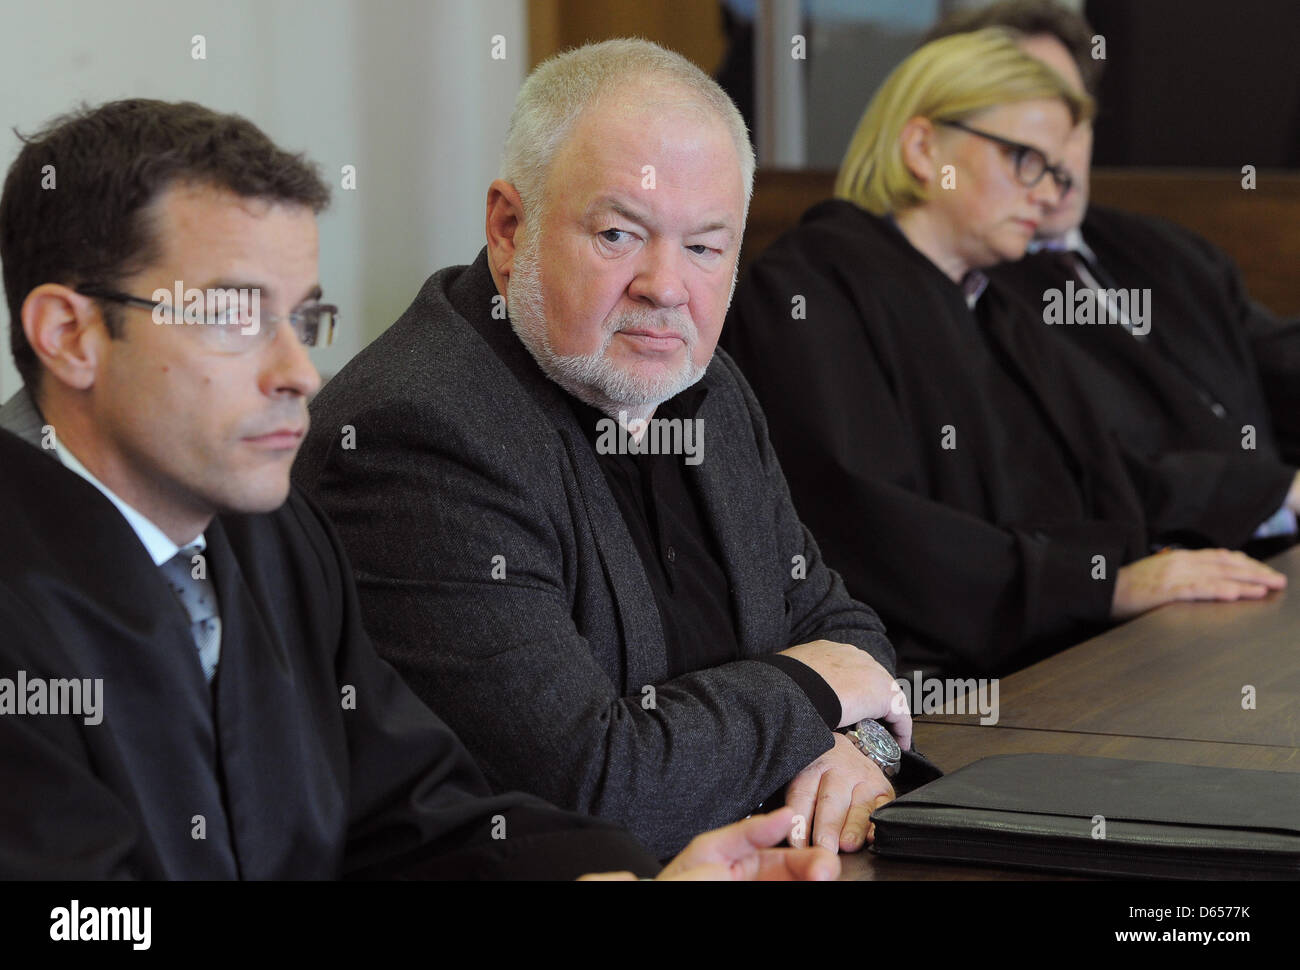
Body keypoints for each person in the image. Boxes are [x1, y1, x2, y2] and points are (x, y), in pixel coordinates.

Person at [0, 98, 838, 881]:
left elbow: (414, 812)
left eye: (304, 321)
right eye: (237, 319)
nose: (299, 373)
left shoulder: (271, 537)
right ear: (70, 335)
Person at [295, 38, 922, 861]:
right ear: (509, 228)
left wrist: (859, 752)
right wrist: (808, 691)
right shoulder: (413, 435)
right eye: (620, 235)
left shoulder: (705, 386)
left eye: (705, 247)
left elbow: (841, 628)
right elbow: (595, 790)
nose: (666, 287)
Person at [722, 29, 1290, 680]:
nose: (1050, 193)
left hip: (1058, 655)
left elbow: (1106, 472)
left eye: (1054, 169)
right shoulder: (807, 292)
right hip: (920, 688)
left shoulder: (1000, 306)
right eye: (1025, 159)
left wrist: (1253, 505)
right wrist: (1101, 589)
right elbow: (866, 528)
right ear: (922, 147)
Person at [925, 0, 1300, 544]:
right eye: (1025, 122)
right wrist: (1266, 495)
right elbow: (1082, 473)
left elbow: (1277, 358)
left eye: (1070, 117)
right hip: (1160, 581)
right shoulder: (964, 287)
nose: (1055, 153)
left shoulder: (1165, 250)